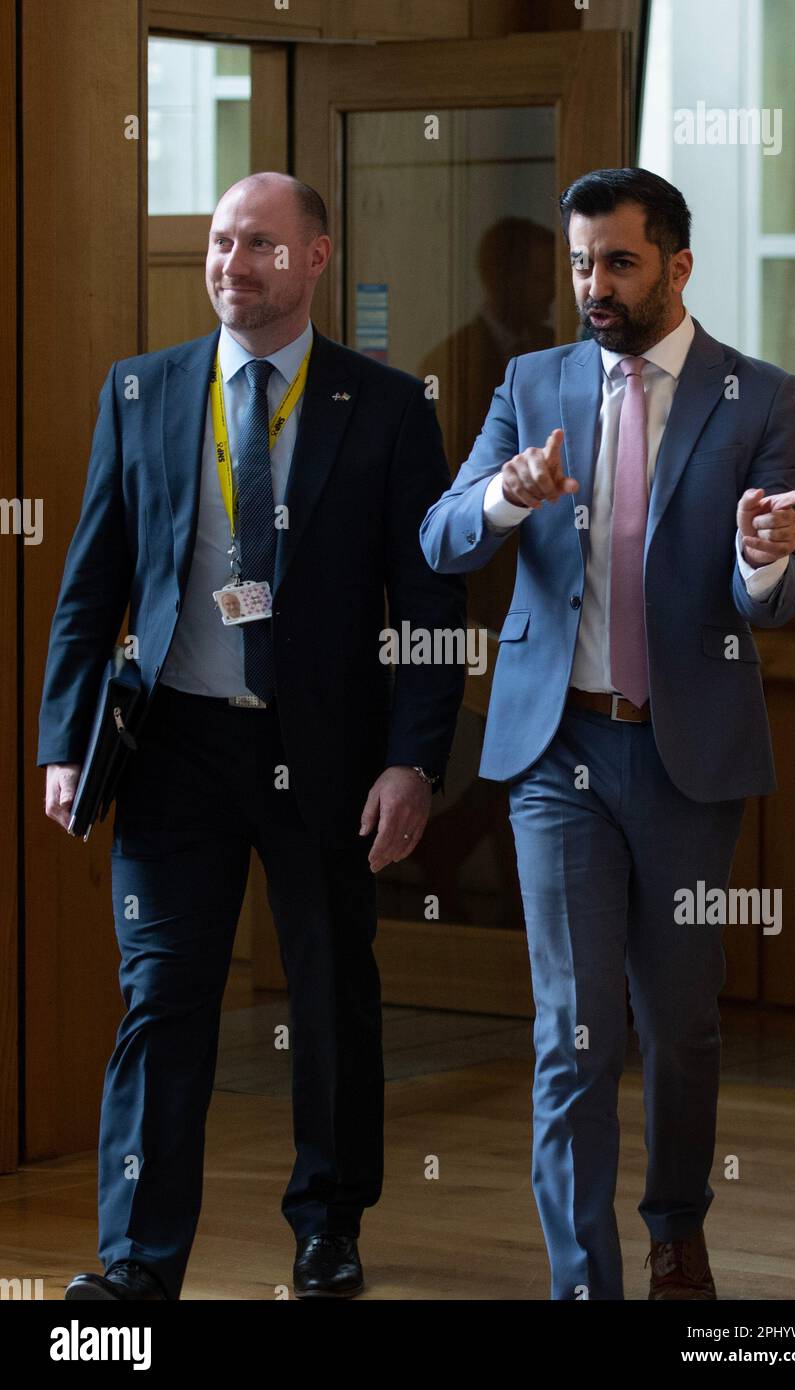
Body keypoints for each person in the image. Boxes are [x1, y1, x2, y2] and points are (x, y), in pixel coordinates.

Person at [38, 172, 466, 1301]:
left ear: (315, 260)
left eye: (262, 246)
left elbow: (428, 609)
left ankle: (328, 1229)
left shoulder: (382, 407)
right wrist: (62, 741)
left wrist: (413, 760)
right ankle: (135, 1264)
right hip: (172, 747)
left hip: (326, 753)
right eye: (224, 243)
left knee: (331, 993)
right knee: (161, 999)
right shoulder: (142, 391)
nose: (235, 263)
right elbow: (90, 587)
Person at [420, 167, 795, 1301]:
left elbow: (768, 601)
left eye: (619, 263)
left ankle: (674, 1229)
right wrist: (505, 496)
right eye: (582, 261)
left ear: (677, 266)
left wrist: (760, 555)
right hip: (555, 758)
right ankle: (581, 1284)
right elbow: (445, 538)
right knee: (570, 1030)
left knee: (677, 1023)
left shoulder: (758, 396)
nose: (593, 284)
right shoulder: (530, 380)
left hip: (687, 761)